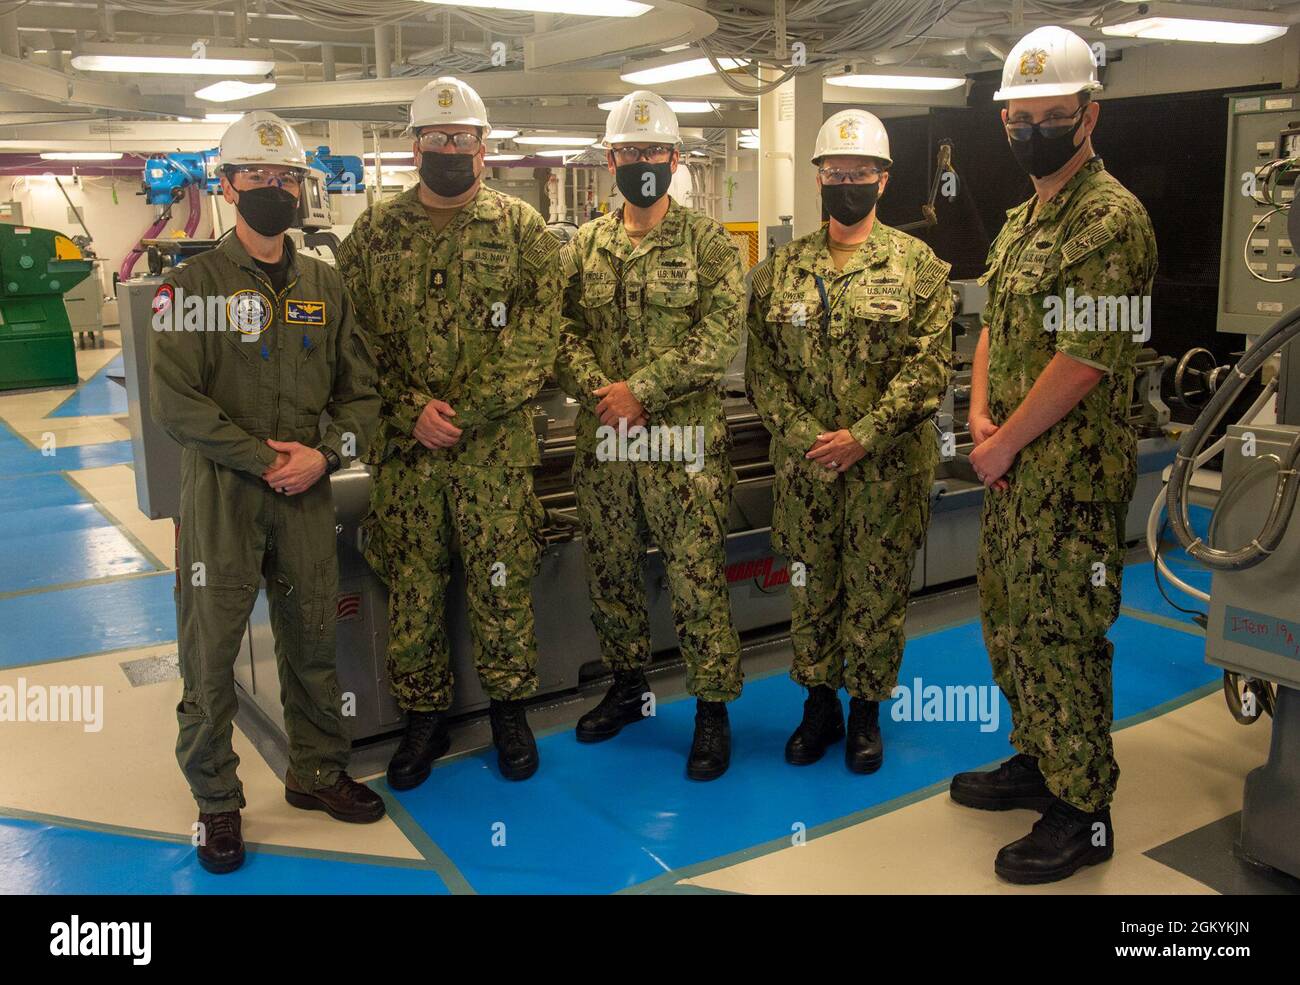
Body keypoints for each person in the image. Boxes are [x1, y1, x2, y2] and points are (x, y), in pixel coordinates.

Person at [948, 25, 1158, 884]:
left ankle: (1084, 810)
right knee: (1010, 625)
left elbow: (1084, 359)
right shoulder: (1023, 220)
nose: (1030, 129)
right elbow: (996, 322)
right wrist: (977, 414)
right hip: (1014, 472)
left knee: (1064, 634)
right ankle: (1039, 758)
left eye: (1048, 114)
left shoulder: (1111, 219)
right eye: (1016, 117)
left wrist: (1005, 444)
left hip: (1069, 482)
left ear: (1088, 114)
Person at [150, 111, 383, 875]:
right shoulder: (189, 286)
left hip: (306, 494)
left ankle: (316, 771)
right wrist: (261, 458)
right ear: (227, 186)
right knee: (210, 655)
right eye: (258, 177)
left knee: (315, 640)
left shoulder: (325, 282)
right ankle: (217, 803)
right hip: (222, 497)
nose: (274, 190)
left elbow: (362, 396)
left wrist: (321, 455)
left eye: (286, 179)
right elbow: (178, 404)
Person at [337, 77, 562, 787]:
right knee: (414, 585)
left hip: (494, 452)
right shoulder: (373, 234)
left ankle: (509, 712)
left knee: (502, 583)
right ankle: (423, 720)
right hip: (408, 459)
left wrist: (464, 412)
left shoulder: (522, 230)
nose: (448, 150)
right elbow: (355, 345)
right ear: (416, 147)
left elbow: (540, 336)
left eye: (460, 139)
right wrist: (411, 411)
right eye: (435, 140)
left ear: (482, 147)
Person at [746, 109, 953, 774]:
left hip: (885, 471)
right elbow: (762, 368)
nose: (847, 182)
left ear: (883, 180)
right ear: (817, 179)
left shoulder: (917, 266)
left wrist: (861, 437)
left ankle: (865, 711)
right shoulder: (781, 271)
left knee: (876, 589)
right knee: (810, 586)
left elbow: (929, 368)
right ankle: (818, 705)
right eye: (836, 172)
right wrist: (813, 438)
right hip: (808, 470)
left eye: (860, 172)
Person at [555, 90, 745, 780]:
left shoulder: (709, 245)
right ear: (611, 160)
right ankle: (628, 687)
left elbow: (720, 333)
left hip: (683, 445)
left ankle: (712, 708)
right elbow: (559, 329)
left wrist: (644, 389)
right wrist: (602, 393)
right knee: (611, 569)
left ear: (674, 159)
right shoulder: (585, 246)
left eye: (654, 153)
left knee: (696, 577)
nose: (642, 163)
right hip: (608, 442)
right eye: (630, 153)